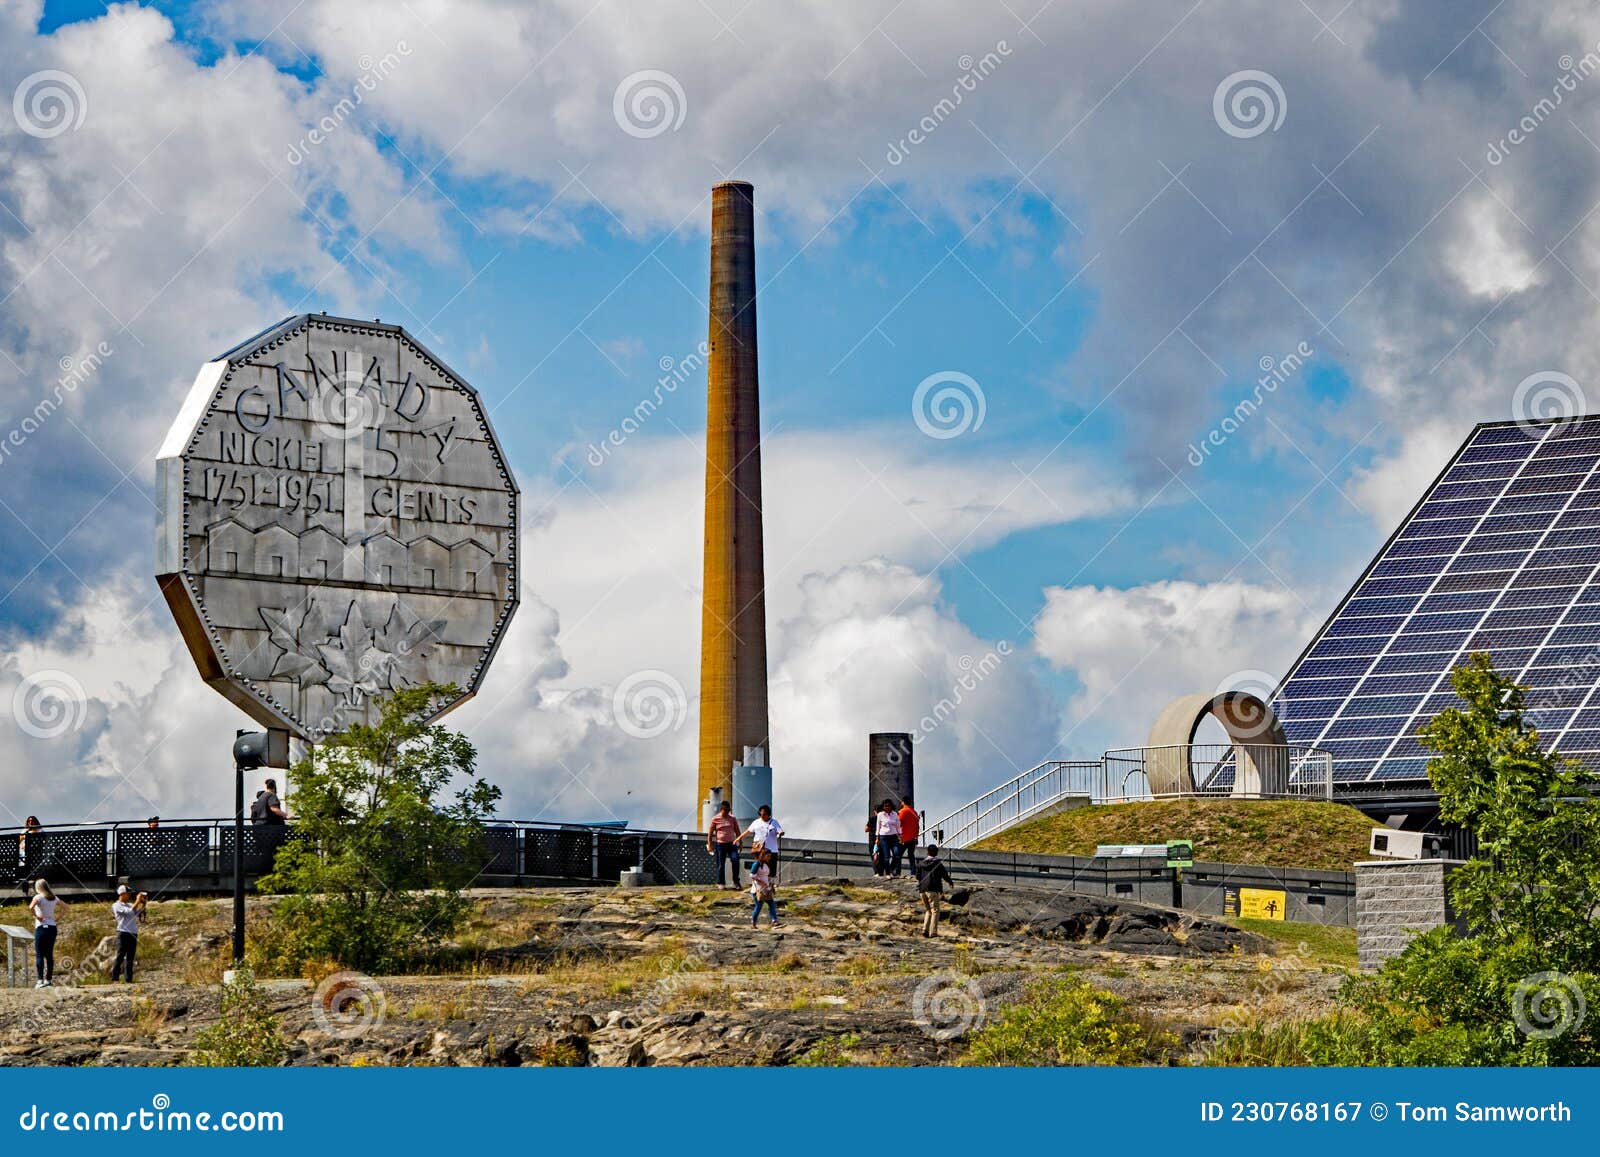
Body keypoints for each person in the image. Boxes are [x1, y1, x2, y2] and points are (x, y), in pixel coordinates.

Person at [914, 845, 954, 937]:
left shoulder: (920, 863)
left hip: (922, 890)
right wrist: (950, 882)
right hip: (933, 889)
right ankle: (933, 932)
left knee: (928, 910)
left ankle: (925, 930)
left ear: (927, 852)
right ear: (936, 853)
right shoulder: (938, 863)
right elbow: (944, 874)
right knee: (935, 911)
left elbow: (917, 876)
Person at [111, 884, 148, 983]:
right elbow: (128, 912)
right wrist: (137, 901)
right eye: (128, 893)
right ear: (122, 894)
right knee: (120, 955)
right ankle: (115, 978)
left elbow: (139, 913)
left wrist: (143, 903)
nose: (129, 895)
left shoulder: (130, 904)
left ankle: (128, 979)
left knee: (130, 957)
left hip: (133, 933)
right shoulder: (116, 905)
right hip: (123, 932)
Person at [29, 878, 62, 988]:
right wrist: (57, 919)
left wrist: (37, 917)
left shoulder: (38, 897)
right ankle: (48, 980)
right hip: (52, 927)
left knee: (39, 954)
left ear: (38, 887)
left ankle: (40, 981)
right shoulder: (53, 897)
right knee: (49, 955)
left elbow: (30, 907)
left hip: (41, 927)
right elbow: (66, 908)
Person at [741, 805, 784, 882]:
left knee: (771, 870)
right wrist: (738, 838)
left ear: (768, 814)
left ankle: (769, 884)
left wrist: (780, 833)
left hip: (771, 850)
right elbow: (748, 831)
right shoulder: (756, 822)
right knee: (759, 866)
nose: (762, 816)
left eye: (764, 814)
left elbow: (779, 830)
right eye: (761, 814)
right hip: (760, 850)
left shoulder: (774, 822)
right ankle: (758, 883)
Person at [706, 800, 742, 889]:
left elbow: (737, 831)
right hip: (721, 845)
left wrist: (740, 842)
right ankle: (721, 883)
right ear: (721, 809)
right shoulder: (715, 819)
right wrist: (710, 844)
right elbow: (710, 833)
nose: (727, 812)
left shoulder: (732, 818)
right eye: (725, 810)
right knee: (721, 864)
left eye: (728, 810)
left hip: (732, 844)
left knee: (735, 860)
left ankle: (736, 882)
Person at [748, 848, 779, 928]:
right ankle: (753, 922)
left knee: (771, 904)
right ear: (763, 855)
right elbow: (752, 875)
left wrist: (769, 882)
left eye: (770, 856)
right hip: (758, 889)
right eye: (768, 856)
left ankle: (774, 920)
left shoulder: (766, 864)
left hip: (767, 889)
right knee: (758, 906)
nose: (769, 858)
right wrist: (762, 882)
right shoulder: (757, 864)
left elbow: (766, 875)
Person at [873, 799, 900, 878]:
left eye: (888, 806)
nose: (887, 807)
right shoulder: (880, 814)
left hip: (894, 836)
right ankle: (888, 873)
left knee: (897, 854)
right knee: (886, 856)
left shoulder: (895, 814)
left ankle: (891, 869)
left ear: (891, 806)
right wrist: (877, 838)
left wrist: (900, 835)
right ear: (883, 806)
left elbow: (898, 825)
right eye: (885, 806)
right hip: (884, 837)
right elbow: (878, 827)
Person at [894, 796, 920, 877]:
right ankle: (913, 872)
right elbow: (917, 827)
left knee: (898, 855)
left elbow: (898, 824)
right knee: (911, 855)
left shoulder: (902, 811)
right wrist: (916, 837)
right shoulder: (915, 812)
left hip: (903, 838)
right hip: (912, 838)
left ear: (903, 802)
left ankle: (898, 872)